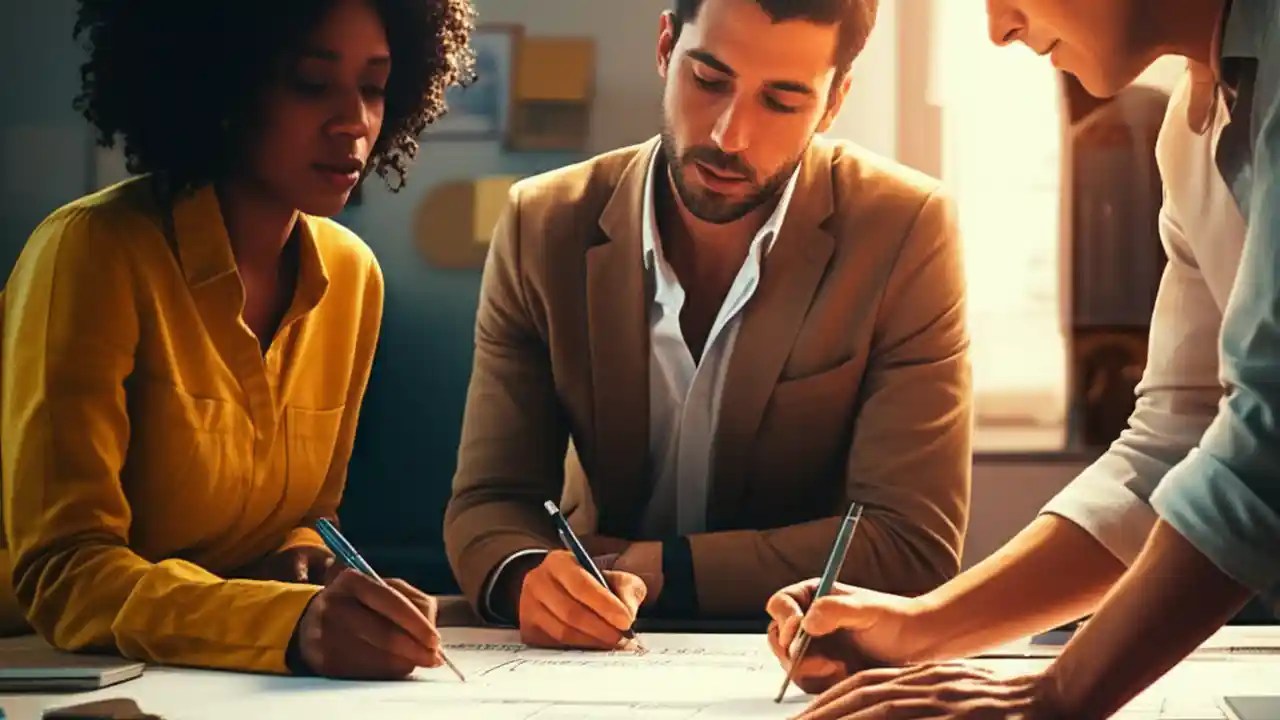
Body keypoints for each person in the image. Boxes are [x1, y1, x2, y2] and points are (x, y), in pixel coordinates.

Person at [766, 0, 1280, 717]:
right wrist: (925, 627)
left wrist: (1056, 695)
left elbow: (1268, 444)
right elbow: (1176, 444)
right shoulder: (1190, 133)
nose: (998, 28)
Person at [445, 0, 973, 651]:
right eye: (709, 81)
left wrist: (659, 567)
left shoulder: (904, 229)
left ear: (834, 103)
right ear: (667, 49)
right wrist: (528, 576)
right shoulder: (543, 224)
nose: (730, 136)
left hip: (792, 654)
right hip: (588, 643)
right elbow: (492, 500)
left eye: (781, 101)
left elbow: (910, 545)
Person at [0, 0, 474, 679]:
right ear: (223, 84)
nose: (356, 123)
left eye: (373, 87)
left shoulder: (352, 276)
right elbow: (62, 570)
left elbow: (310, 513)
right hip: (48, 669)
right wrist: (290, 626)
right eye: (312, 84)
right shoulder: (92, 252)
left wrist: (302, 551)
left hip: (215, 678)